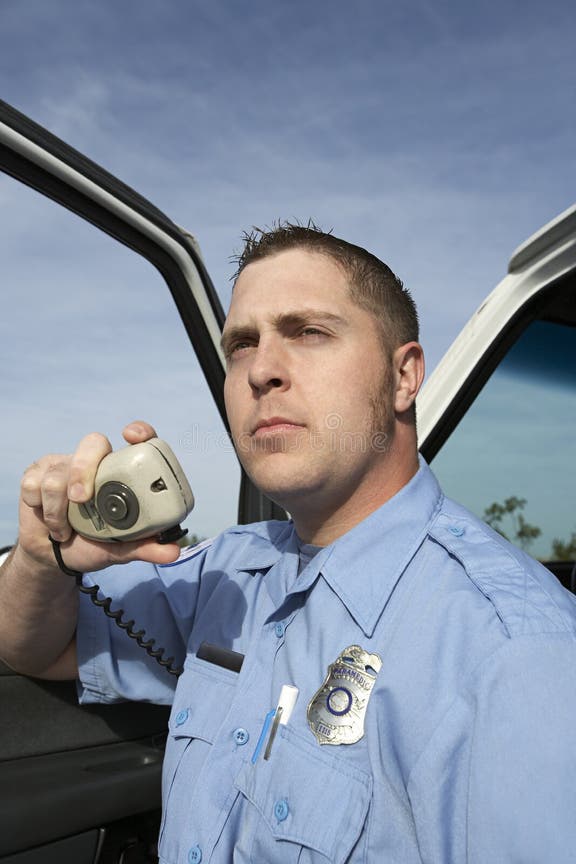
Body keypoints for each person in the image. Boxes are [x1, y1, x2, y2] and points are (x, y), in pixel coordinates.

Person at [1, 224, 576, 863]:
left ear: (404, 377)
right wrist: (42, 559)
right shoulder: (229, 569)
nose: (262, 371)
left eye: (309, 332)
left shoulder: (515, 654)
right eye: (241, 345)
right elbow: (34, 647)